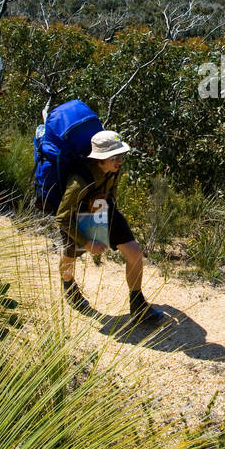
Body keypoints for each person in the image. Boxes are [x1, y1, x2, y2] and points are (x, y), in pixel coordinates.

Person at [56, 129, 161, 322]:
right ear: (100, 159)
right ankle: (68, 287)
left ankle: (137, 304)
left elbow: (111, 193)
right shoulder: (79, 181)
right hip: (76, 216)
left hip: (104, 207)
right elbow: (62, 217)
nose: (119, 160)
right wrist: (87, 242)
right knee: (70, 254)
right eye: (113, 157)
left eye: (120, 155)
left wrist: (107, 221)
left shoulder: (113, 170)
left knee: (135, 253)